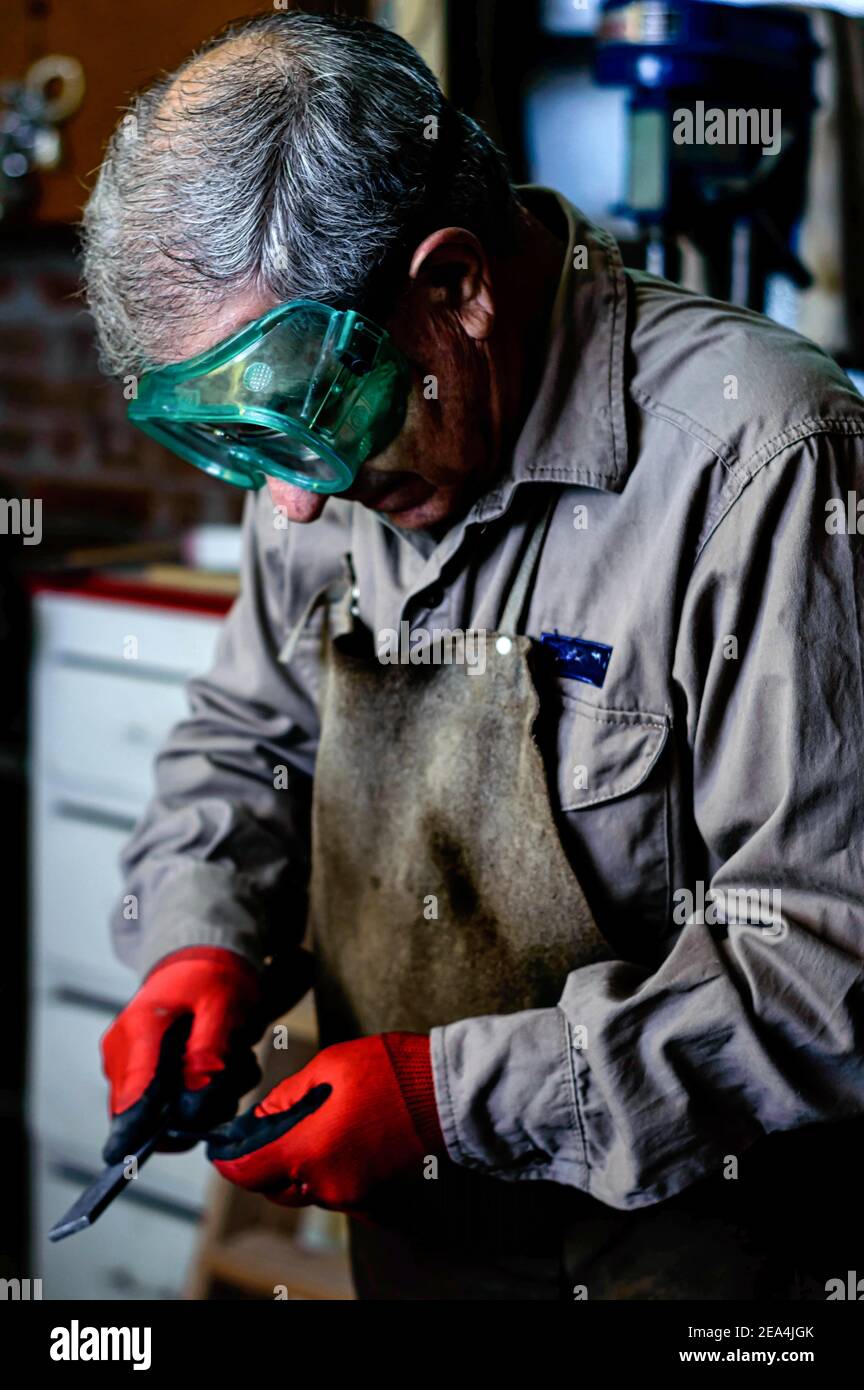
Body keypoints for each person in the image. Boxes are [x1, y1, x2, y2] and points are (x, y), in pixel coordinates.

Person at [82, 11, 864, 1301]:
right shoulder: (325, 450)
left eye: (316, 422)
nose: (293, 503)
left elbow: (827, 968)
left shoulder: (761, 461)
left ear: (454, 288)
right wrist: (198, 941)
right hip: (420, 1253)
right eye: (259, 448)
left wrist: (445, 1100)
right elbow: (246, 738)